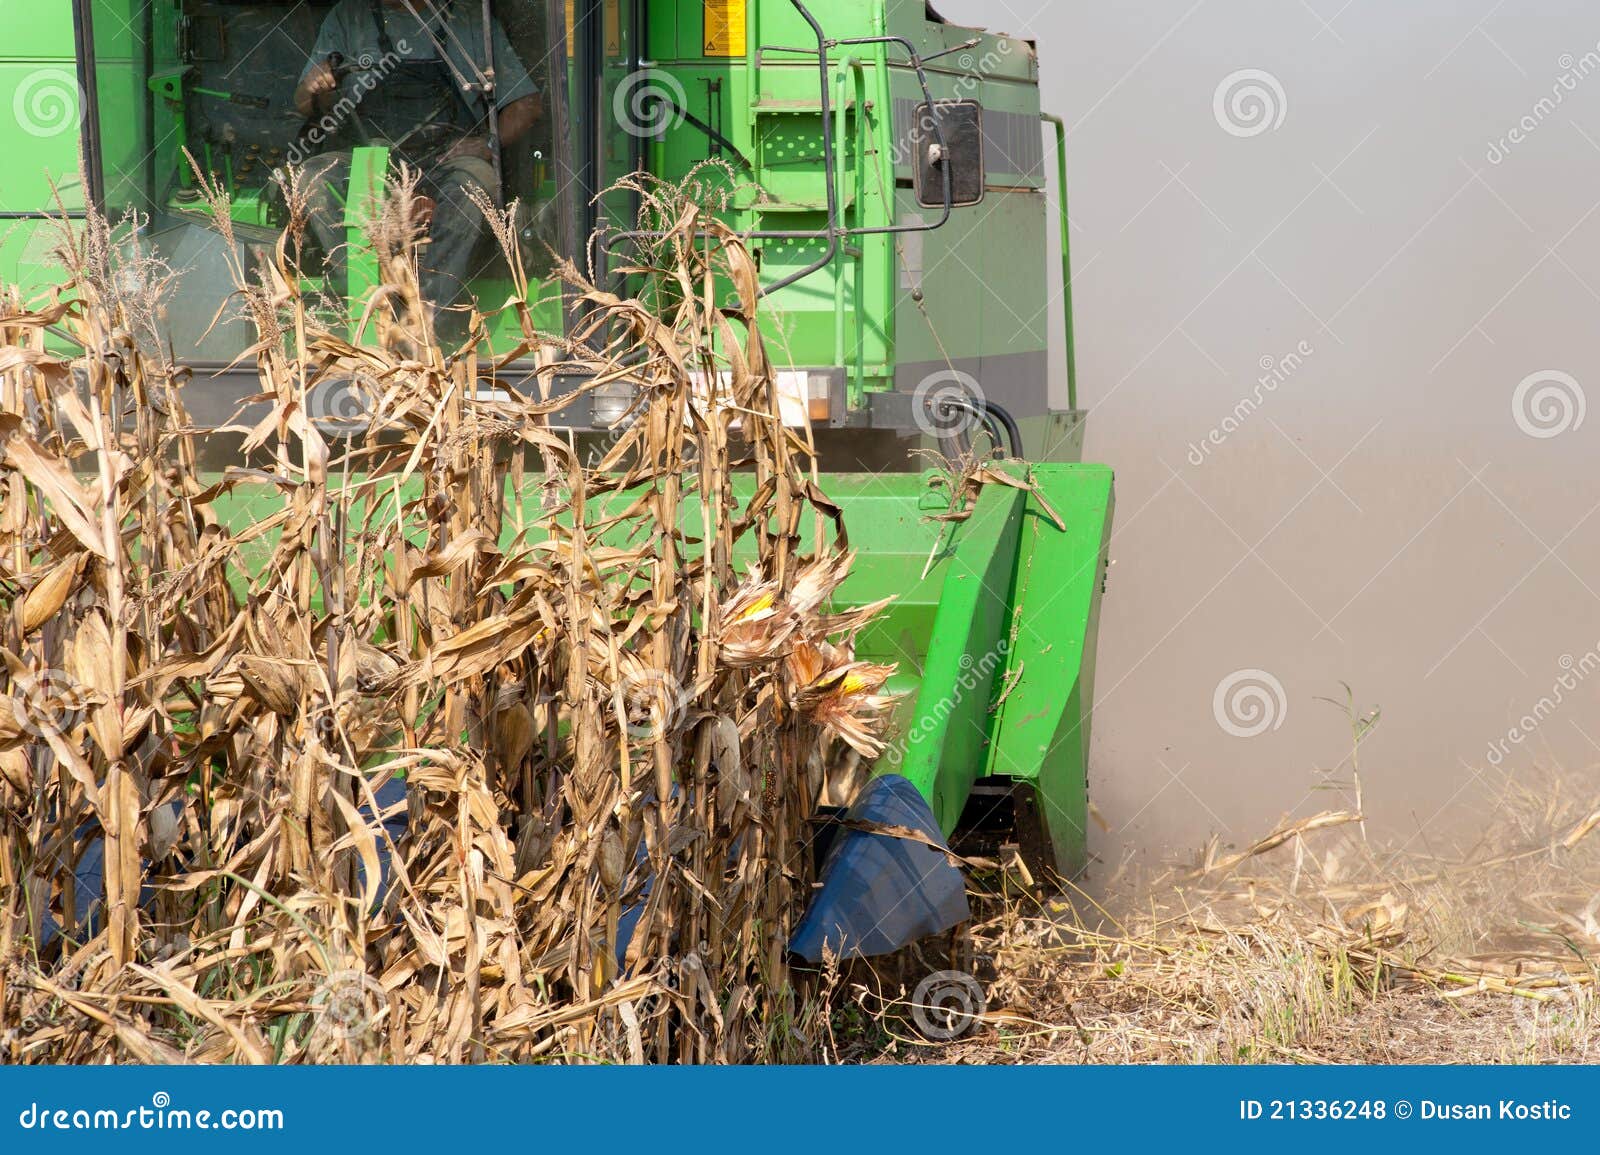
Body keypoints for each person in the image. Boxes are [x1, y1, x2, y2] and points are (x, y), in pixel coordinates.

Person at [292, 0, 540, 335]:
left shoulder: (469, 18)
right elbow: (304, 103)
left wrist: (485, 144)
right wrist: (313, 87)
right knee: (314, 179)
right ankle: (371, 311)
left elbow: (526, 104)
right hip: (373, 156)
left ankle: (428, 326)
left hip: (449, 156)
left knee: (474, 188)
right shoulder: (348, 16)